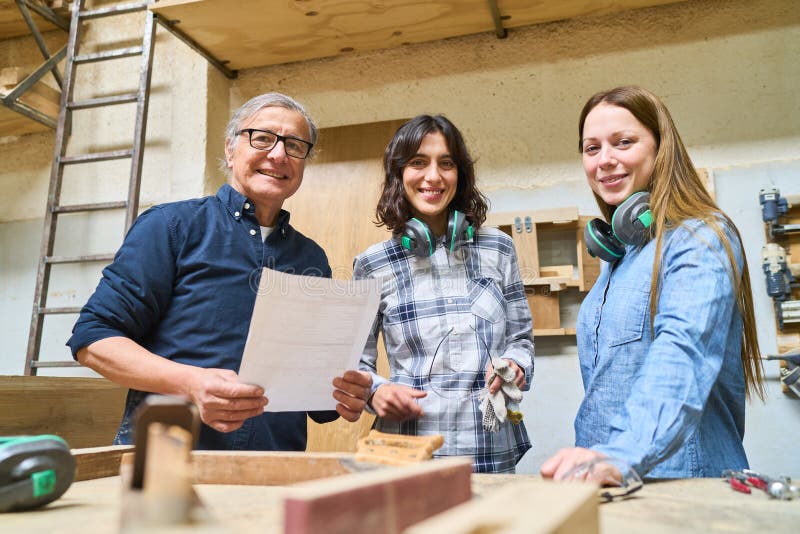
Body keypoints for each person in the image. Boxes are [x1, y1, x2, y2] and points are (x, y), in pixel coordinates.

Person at [68, 92, 372, 451]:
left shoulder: (311, 257)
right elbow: (93, 338)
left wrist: (345, 393)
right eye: (262, 138)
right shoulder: (171, 226)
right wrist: (191, 383)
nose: (278, 155)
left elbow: (320, 404)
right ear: (230, 150)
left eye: (294, 145)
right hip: (169, 460)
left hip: (276, 465)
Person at [541, 86, 764, 481]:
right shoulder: (620, 256)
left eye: (623, 142)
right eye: (591, 149)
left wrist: (621, 454)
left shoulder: (699, 238)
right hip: (615, 480)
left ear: (661, 149)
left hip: (682, 483)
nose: (605, 160)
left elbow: (683, 353)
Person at [354, 115, 534, 473]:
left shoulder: (499, 248)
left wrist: (515, 365)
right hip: (406, 455)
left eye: (446, 163)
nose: (433, 176)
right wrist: (376, 392)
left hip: (488, 450)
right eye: (418, 162)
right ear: (398, 174)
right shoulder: (372, 264)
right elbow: (355, 363)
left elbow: (521, 340)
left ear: (460, 174)